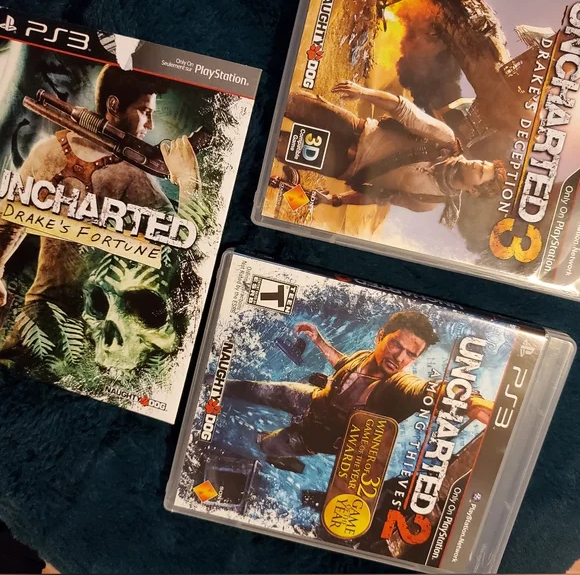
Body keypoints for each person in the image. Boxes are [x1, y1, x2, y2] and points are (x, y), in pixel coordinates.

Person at [0, 65, 200, 356]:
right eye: (144, 111)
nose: (150, 124)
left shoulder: (53, 154)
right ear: (114, 106)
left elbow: (177, 254)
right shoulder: (122, 172)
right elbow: (187, 247)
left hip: (101, 322)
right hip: (51, 313)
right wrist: (190, 183)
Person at [225, 311, 493, 461]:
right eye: (396, 344)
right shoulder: (366, 356)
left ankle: (279, 457)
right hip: (311, 399)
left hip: (312, 436)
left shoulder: (398, 386)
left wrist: (470, 402)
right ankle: (215, 385)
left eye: (411, 355)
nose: (400, 358)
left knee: (265, 445)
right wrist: (318, 340)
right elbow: (343, 364)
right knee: (248, 388)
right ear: (380, 336)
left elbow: (427, 391)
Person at [276, 81, 507, 227]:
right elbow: (404, 110)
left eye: (480, 172)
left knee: (277, 145)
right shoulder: (445, 139)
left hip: (340, 164)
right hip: (352, 127)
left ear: (473, 190)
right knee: (287, 102)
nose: (475, 165)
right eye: (481, 163)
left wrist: (336, 200)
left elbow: (379, 196)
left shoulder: (428, 201)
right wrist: (363, 92)